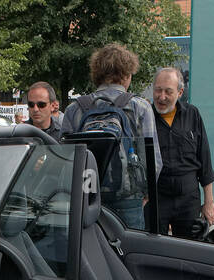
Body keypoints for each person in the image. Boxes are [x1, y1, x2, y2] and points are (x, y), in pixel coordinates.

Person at [61, 43, 161, 229]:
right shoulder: (140, 107)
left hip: (86, 196)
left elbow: (64, 159)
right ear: (126, 74)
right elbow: (153, 161)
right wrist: (144, 193)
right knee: (128, 255)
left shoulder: (74, 110)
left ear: (96, 74)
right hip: (128, 199)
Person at [150, 66, 214, 236]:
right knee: (154, 250)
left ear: (180, 93)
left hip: (188, 198)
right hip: (156, 197)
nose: (161, 97)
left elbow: (205, 160)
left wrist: (209, 202)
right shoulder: (145, 116)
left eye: (168, 91)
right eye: (158, 90)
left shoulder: (192, 114)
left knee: (187, 251)